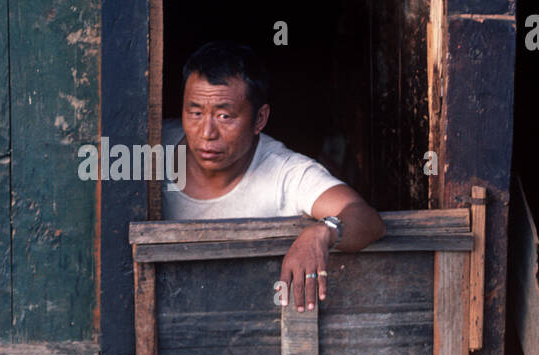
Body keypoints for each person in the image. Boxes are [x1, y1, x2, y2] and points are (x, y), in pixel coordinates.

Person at [162, 40, 385, 312]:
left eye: (224, 116)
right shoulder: (150, 146)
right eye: (195, 113)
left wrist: (324, 232)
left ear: (259, 119)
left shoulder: (286, 173)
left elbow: (366, 218)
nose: (207, 132)